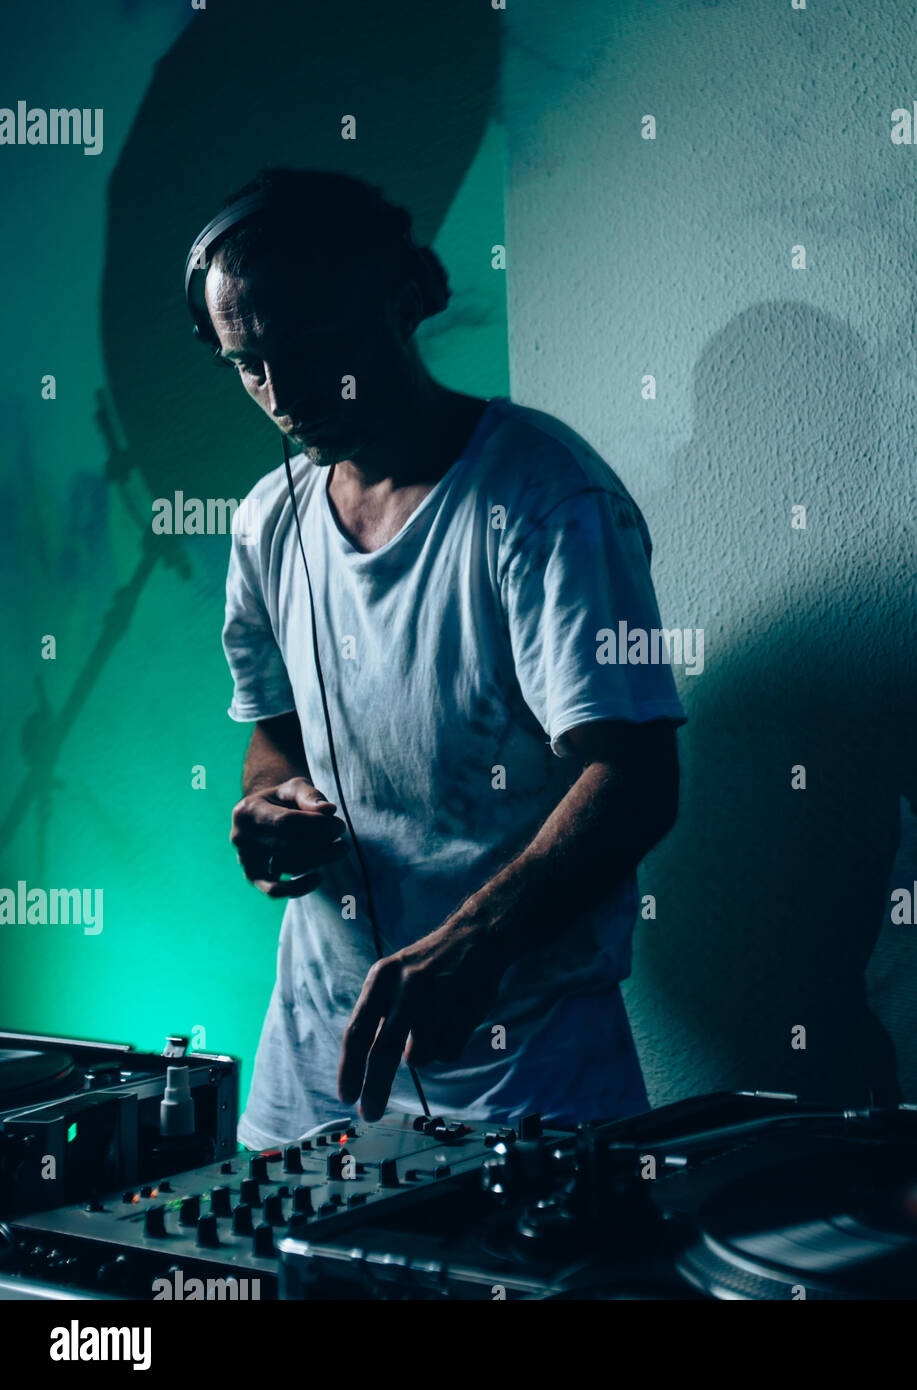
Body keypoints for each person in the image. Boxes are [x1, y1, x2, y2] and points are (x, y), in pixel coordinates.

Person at [198, 168, 685, 1148]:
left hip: (527, 1074)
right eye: (249, 365)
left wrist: (471, 943)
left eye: (311, 350)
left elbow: (634, 778)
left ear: (400, 302)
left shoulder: (547, 500)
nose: (283, 394)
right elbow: (274, 735)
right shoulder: (264, 523)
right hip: (313, 1066)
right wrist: (268, 808)